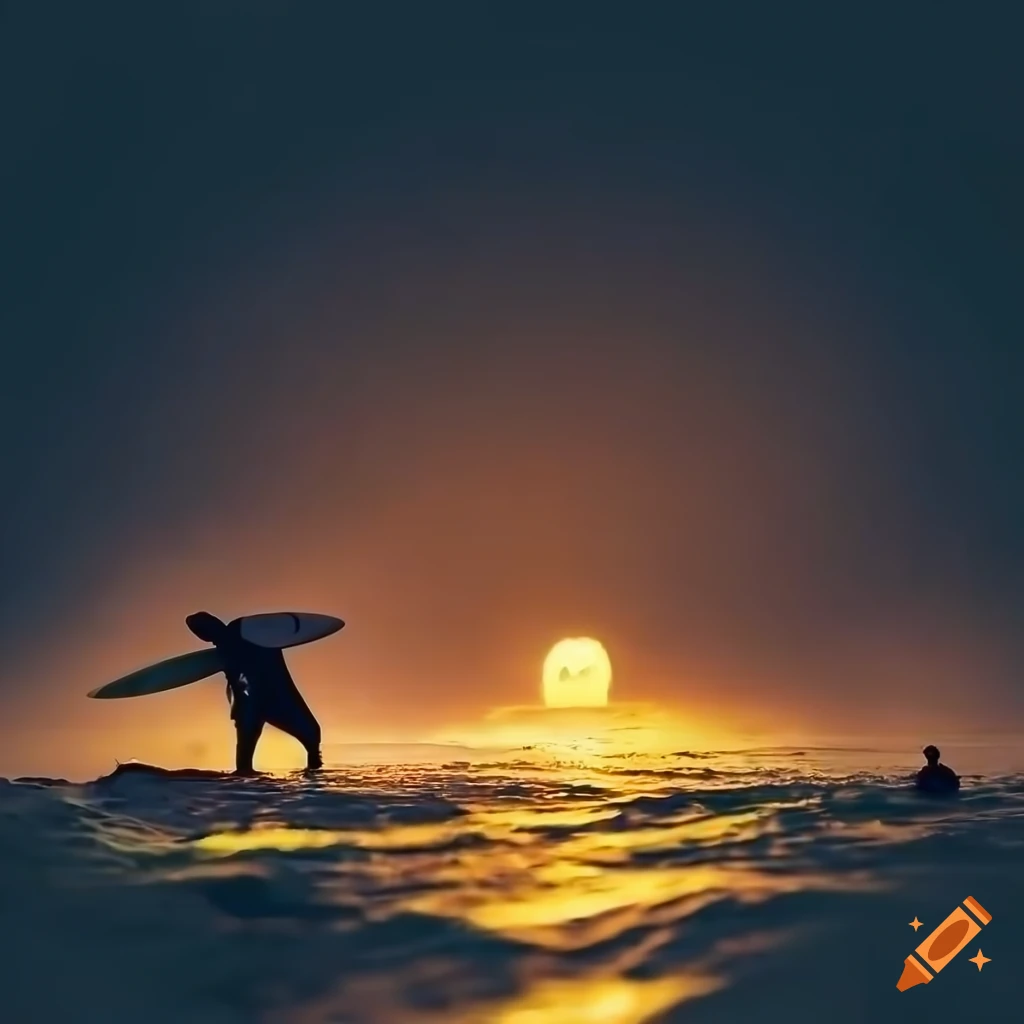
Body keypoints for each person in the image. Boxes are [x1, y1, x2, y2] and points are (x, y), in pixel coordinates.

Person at [185, 611, 323, 774]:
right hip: (256, 702)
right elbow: (241, 679)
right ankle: (312, 776)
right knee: (310, 733)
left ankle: (313, 774)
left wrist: (247, 695)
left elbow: (242, 678)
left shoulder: (240, 632)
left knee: (311, 733)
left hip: (270, 697)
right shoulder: (228, 645)